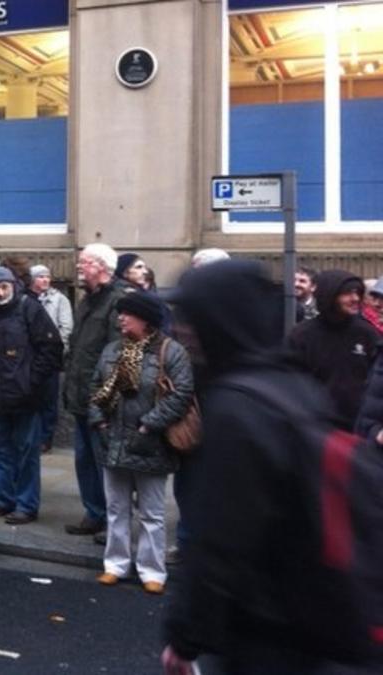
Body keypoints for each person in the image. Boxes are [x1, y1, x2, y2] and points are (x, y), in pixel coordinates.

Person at [162, 260, 381, 674]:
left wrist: (185, 638)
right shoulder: (290, 383)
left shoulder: (236, 406)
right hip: (317, 620)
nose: (182, 330)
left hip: (267, 630)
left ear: (218, 321)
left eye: (191, 318)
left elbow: (219, 542)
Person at [89, 291, 192, 594]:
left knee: (152, 513)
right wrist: (99, 420)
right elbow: (96, 386)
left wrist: (150, 423)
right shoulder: (112, 349)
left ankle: (152, 571)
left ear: (146, 319)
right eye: (120, 313)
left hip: (151, 444)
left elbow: (181, 393)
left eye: (127, 313)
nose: (120, 318)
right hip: (113, 441)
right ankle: (115, 565)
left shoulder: (171, 352)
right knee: (116, 509)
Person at [0, 267, 63, 525]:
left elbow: (51, 349)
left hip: (24, 397)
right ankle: (4, 498)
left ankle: (26, 504)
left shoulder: (29, 308)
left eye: (4, 287)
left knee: (26, 453)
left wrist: (31, 381)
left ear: (13, 286)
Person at [63, 243, 134, 536]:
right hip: (81, 396)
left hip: (103, 402)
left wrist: (106, 399)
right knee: (85, 461)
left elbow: (120, 355)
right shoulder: (87, 300)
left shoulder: (118, 301)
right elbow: (78, 349)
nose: (79, 267)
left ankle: (114, 521)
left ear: (102, 267)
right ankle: (94, 513)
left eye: (85, 262)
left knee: (106, 463)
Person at [287, 269, 378, 430]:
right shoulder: (302, 335)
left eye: (357, 293)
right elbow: (291, 381)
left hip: (357, 427)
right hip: (315, 426)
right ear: (329, 295)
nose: (355, 298)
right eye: (348, 293)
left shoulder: (367, 333)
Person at [31, 264, 72, 453]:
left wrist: (57, 350)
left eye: (47, 276)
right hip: (31, 358)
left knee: (49, 400)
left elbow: (66, 328)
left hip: (51, 357)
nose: (46, 280)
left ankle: (45, 438)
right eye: (41, 277)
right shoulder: (27, 299)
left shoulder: (59, 300)